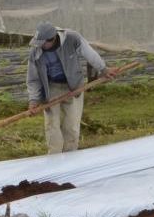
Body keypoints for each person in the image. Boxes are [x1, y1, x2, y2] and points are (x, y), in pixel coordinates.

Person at [26, 22, 109, 153]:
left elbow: (89, 53)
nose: (39, 45)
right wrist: (34, 100)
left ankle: (70, 157)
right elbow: (33, 79)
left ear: (52, 39)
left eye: (43, 43)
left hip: (73, 87)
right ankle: (54, 157)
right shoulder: (35, 51)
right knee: (52, 125)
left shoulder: (72, 38)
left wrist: (103, 69)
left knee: (71, 126)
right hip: (51, 88)